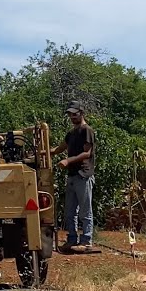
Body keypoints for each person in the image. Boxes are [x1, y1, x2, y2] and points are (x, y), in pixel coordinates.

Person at [50, 101, 95, 251]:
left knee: (85, 210)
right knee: (70, 211)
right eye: (70, 114)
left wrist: (68, 160)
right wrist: (46, 152)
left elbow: (87, 153)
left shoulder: (86, 130)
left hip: (83, 174)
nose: (72, 116)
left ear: (81, 113)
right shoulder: (71, 133)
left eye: (74, 114)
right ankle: (72, 239)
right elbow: (60, 148)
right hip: (72, 175)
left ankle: (86, 240)